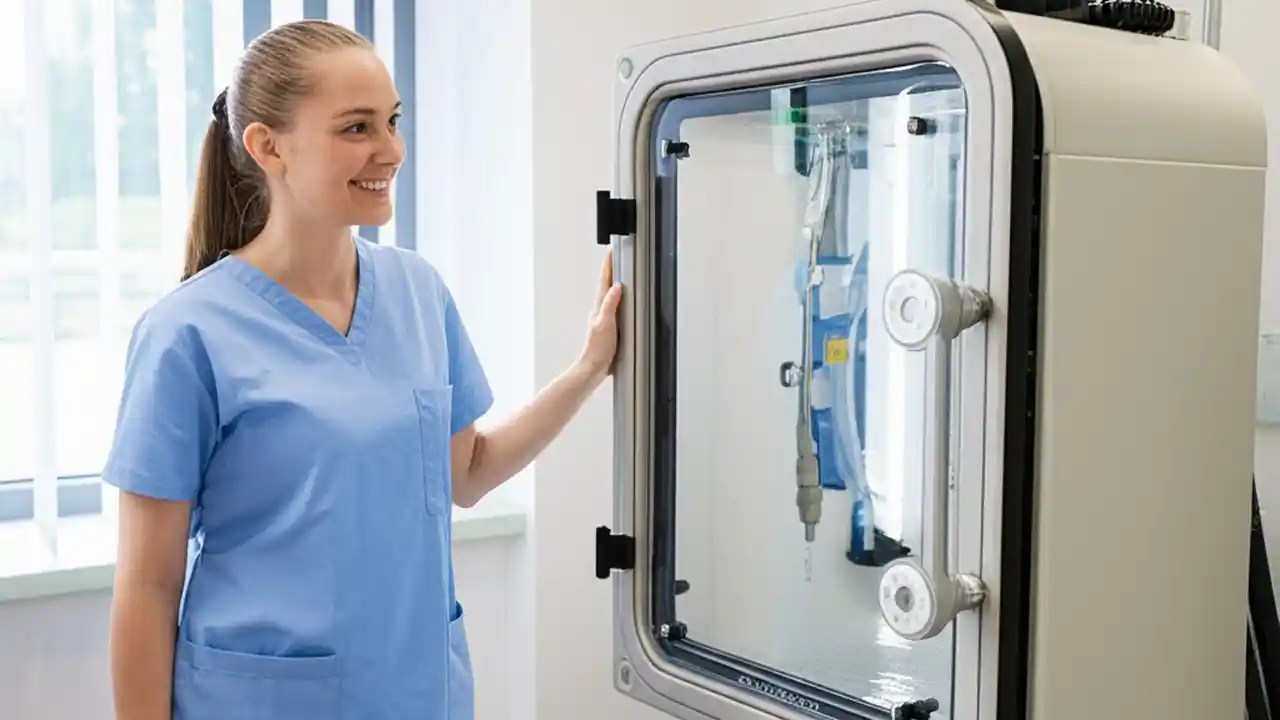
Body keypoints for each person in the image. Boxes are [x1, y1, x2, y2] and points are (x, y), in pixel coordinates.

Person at [104, 20, 621, 720]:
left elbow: (466, 473)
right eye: (356, 128)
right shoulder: (187, 332)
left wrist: (589, 368)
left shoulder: (417, 291)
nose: (392, 150)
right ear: (268, 146)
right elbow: (148, 586)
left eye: (393, 122)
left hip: (416, 692)